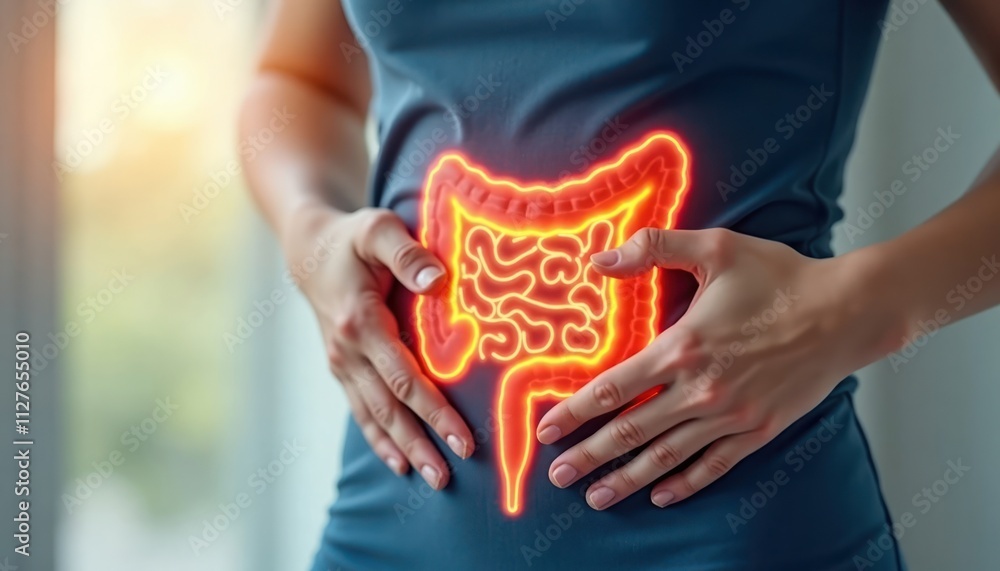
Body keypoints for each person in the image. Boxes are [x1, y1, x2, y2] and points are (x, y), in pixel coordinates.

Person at [239, 1, 1000, 569]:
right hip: (392, 522)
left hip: (730, 532)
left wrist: (861, 309)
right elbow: (301, 81)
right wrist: (312, 232)